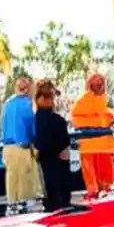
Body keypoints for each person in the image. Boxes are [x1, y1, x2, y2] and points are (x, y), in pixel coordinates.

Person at [70, 73, 114, 199]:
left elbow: (111, 118)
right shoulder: (84, 100)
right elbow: (76, 120)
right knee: (96, 177)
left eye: (100, 84)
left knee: (103, 176)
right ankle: (96, 193)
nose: (98, 86)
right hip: (93, 145)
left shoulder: (105, 99)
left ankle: (101, 192)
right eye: (96, 84)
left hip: (100, 145)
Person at [0, 75, 42, 215]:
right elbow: (30, 127)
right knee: (26, 176)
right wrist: (35, 142)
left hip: (7, 147)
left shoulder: (7, 104)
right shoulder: (27, 105)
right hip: (22, 146)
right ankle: (25, 203)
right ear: (27, 89)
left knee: (11, 177)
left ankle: (11, 204)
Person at [32, 79, 72, 212]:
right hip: (55, 161)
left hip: (46, 159)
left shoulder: (35, 120)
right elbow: (64, 146)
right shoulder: (58, 121)